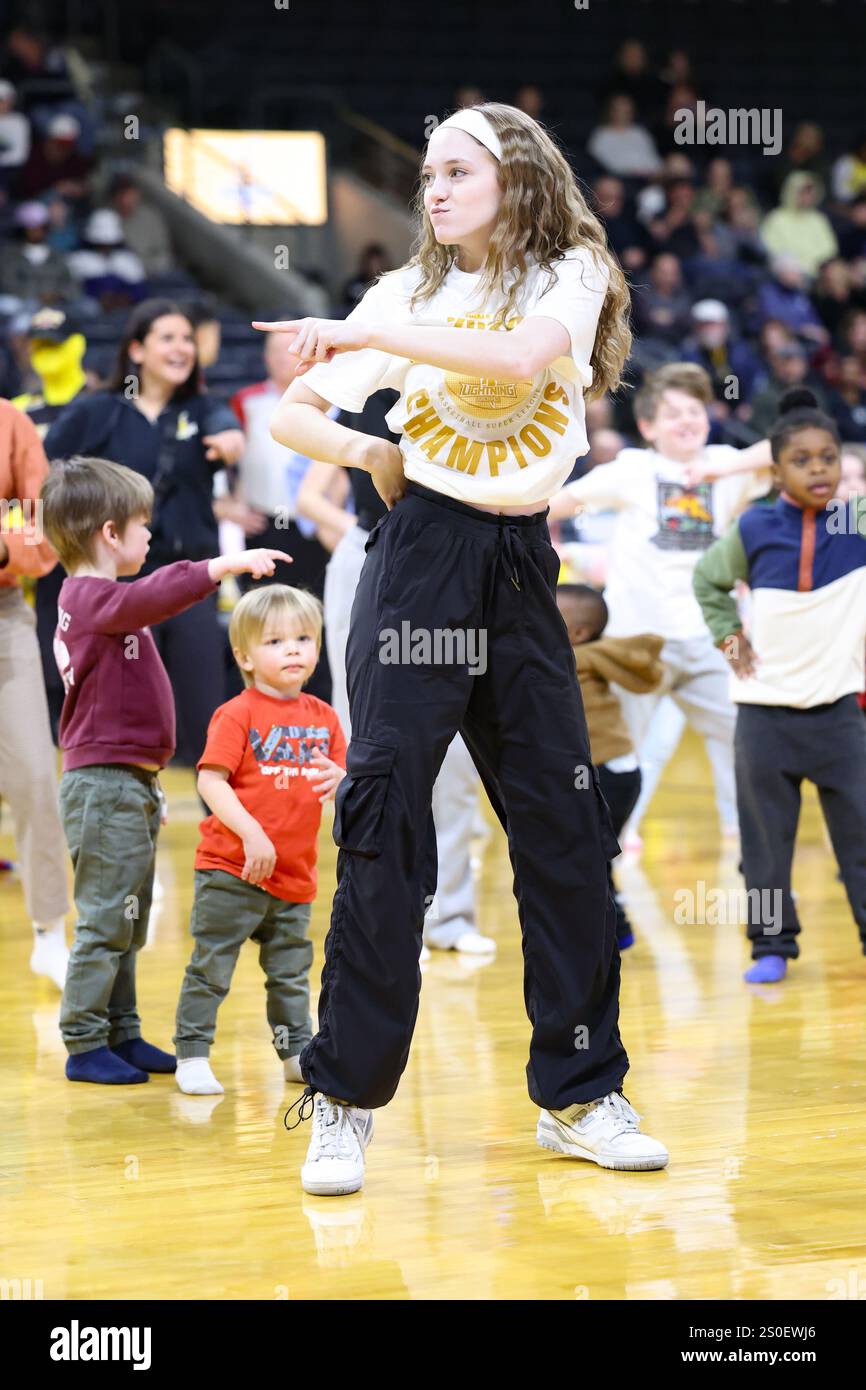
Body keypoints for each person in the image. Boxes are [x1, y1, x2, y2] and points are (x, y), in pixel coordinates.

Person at [254, 102, 670, 1195]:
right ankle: (341, 1097)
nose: (431, 191)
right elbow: (289, 411)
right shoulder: (404, 291)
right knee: (386, 813)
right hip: (423, 554)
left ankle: (580, 1092)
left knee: (562, 823)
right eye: (426, 174)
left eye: (454, 171)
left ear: (515, 177)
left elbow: (530, 355)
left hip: (520, 567)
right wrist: (363, 449)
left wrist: (368, 336)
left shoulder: (567, 271)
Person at [39, 453, 294, 1082]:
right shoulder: (92, 596)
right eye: (142, 524)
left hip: (129, 783)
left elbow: (146, 600)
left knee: (128, 914)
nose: (151, 534)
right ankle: (83, 1039)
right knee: (106, 917)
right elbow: (157, 594)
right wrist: (219, 566)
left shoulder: (105, 599)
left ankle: (120, 1031)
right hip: (104, 787)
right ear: (108, 533)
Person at [297, 392, 495, 956]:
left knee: (454, 749)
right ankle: (381, 919)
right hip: (366, 557)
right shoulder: (360, 395)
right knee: (366, 742)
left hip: (449, 559)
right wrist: (368, 535)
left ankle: (450, 916)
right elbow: (310, 498)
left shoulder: (463, 390)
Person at [549, 363, 773, 841]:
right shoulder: (633, 469)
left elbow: (789, 445)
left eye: (696, 410)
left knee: (744, 737)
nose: (687, 420)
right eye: (673, 413)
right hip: (637, 640)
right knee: (622, 749)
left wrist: (722, 467)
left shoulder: (725, 463)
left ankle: (745, 832)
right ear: (648, 426)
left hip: (713, 640)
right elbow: (557, 505)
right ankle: (611, 838)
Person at [692, 389, 866, 983]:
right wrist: (731, 640)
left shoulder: (856, 519)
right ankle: (771, 946)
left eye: (828, 457)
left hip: (840, 714)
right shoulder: (756, 525)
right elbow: (708, 581)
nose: (818, 469)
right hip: (763, 717)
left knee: (862, 840)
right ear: (776, 468)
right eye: (801, 459)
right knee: (765, 849)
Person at [44, 299, 246, 765]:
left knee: (204, 716)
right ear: (136, 349)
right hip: (119, 587)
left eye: (188, 340)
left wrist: (231, 440)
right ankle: (120, 812)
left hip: (189, 580)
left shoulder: (204, 408)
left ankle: (220, 825)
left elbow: (227, 429)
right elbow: (49, 472)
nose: (182, 348)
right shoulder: (99, 411)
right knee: (123, 710)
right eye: (168, 338)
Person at [174, 585, 347, 1095]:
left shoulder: (325, 718)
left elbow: (335, 787)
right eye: (275, 642)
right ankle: (191, 1053)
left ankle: (295, 1052)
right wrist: (251, 833)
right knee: (212, 968)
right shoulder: (238, 713)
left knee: (291, 974)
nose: (292, 649)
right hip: (232, 868)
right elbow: (210, 780)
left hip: (295, 874)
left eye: (302, 638)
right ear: (245, 657)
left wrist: (344, 784)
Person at [0, 398, 70, 988]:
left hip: (4, 617)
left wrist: (5, 544)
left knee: (32, 775)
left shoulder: (10, 422)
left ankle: (50, 929)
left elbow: (35, 523)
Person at [555, 583, 663, 950]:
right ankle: (615, 928)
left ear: (579, 633)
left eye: (554, 615)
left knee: (586, 853)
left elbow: (643, 658)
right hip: (611, 774)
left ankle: (612, 929)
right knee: (590, 854)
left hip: (608, 775)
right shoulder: (581, 656)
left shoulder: (576, 659)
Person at [12, 305, 90, 737]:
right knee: (40, 663)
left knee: (86, 659)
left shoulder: (99, 407)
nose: (44, 355)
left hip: (85, 553)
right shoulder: (18, 412)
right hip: (34, 557)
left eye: (54, 345)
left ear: (77, 345)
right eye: (38, 345)